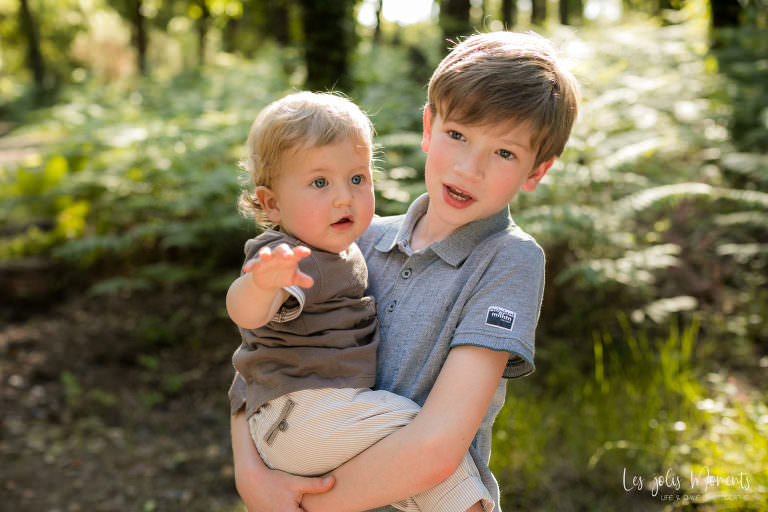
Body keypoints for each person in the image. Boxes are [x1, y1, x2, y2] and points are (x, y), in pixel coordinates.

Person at [230, 30, 580, 512]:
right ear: (429, 126)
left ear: (536, 172)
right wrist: (252, 477)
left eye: (504, 153)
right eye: (457, 135)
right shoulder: (355, 239)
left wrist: (302, 506)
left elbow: (435, 449)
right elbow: (257, 359)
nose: (468, 168)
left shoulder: (508, 260)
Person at [227, 91, 494, 512]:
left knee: (410, 478)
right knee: (426, 438)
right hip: (304, 412)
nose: (343, 197)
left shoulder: (349, 247)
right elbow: (246, 314)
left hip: (312, 417)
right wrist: (262, 285)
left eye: (357, 178)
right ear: (271, 203)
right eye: (319, 182)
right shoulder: (288, 254)